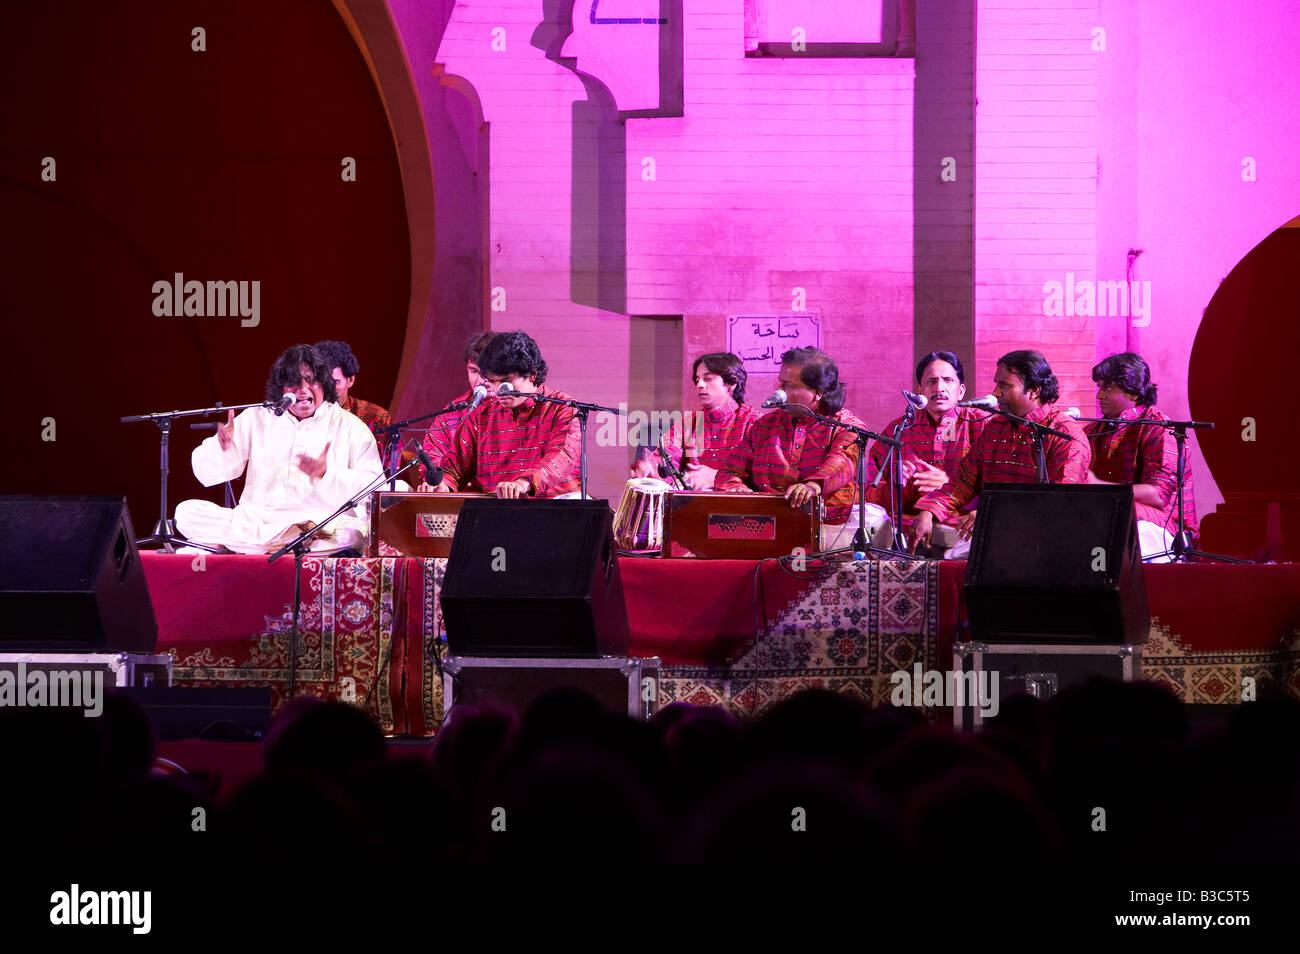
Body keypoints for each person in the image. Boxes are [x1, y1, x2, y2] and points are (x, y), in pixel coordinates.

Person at [175, 345, 384, 554]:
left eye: (311, 380)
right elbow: (207, 473)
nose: (302, 390)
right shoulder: (257, 417)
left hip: (318, 524)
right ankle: (283, 543)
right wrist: (224, 448)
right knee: (185, 513)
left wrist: (326, 474)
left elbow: (374, 493)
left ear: (324, 384)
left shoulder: (350, 427)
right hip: (258, 521)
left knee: (353, 533)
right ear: (281, 388)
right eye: (293, 382)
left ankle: (235, 545)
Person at [911, 349, 1091, 555]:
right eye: (997, 384)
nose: (996, 393)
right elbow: (963, 481)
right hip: (995, 541)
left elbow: (1061, 502)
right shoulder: (996, 428)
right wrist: (929, 511)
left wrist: (992, 513)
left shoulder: (1067, 435)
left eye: (1004, 386)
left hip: (1047, 549)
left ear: (1035, 390)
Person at [715, 347, 889, 549]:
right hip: (769, 518)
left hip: (828, 520)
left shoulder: (849, 427)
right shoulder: (765, 426)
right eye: (780, 382)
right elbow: (729, 470)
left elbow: (842, 462)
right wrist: (738, 489)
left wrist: (812, 486)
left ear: (817, 393)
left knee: (872, 520)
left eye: (787, 385)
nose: (779, 391)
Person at [423, 331, 582, 499]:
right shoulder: (481, 415)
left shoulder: (563, 408)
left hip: (557, 510)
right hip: (498, 512)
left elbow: (561, 457)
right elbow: (455, 468)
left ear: (532, 374)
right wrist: (444, 484)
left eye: (506, 381)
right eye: (493, 382)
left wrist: (524, 483)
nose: (499, 391)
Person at [865, 351, 989, 543]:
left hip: (965, 526)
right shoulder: (899, 429)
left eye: (947, 380)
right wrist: (897, 485)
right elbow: (871, 497)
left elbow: (1003, 484)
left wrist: (953, 490)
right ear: (920, 390)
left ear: (961, 390)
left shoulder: (982, 424)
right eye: (931, 381)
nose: (939, 388)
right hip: (907, 528)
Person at [1085, 352, 1197, 562]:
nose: (1099, 396)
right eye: (1099, 388)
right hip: (1113, 517)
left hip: (1162, 529)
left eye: (1107, 388)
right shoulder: (1094, 430)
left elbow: (1157, 495)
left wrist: (1098, 485)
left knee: (1122, 524)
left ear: (1133, 393)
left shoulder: (1160, 428)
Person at [631, 352, 760, 491]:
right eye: (697, 379)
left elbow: (765, 479)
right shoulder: (688, 425)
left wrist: (717, 478)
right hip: (693, 507)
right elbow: (666, 459)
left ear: (732, 383)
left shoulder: (754, 423)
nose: (699, 385)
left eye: (708, 379)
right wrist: (649, 469)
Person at [420, 330, 497, 486]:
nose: (482, 380)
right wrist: (439, 481)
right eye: (474, 371)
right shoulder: (453, 412)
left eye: (489, 372)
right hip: (459, 500)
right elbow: (432, 455)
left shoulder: (516, 409)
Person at [313, 340, 393, 459]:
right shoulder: (302, 414)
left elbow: (389, 472)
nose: (326, 388)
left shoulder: (375, 418)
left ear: (350, 380)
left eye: (334, 382)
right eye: (320, 381)